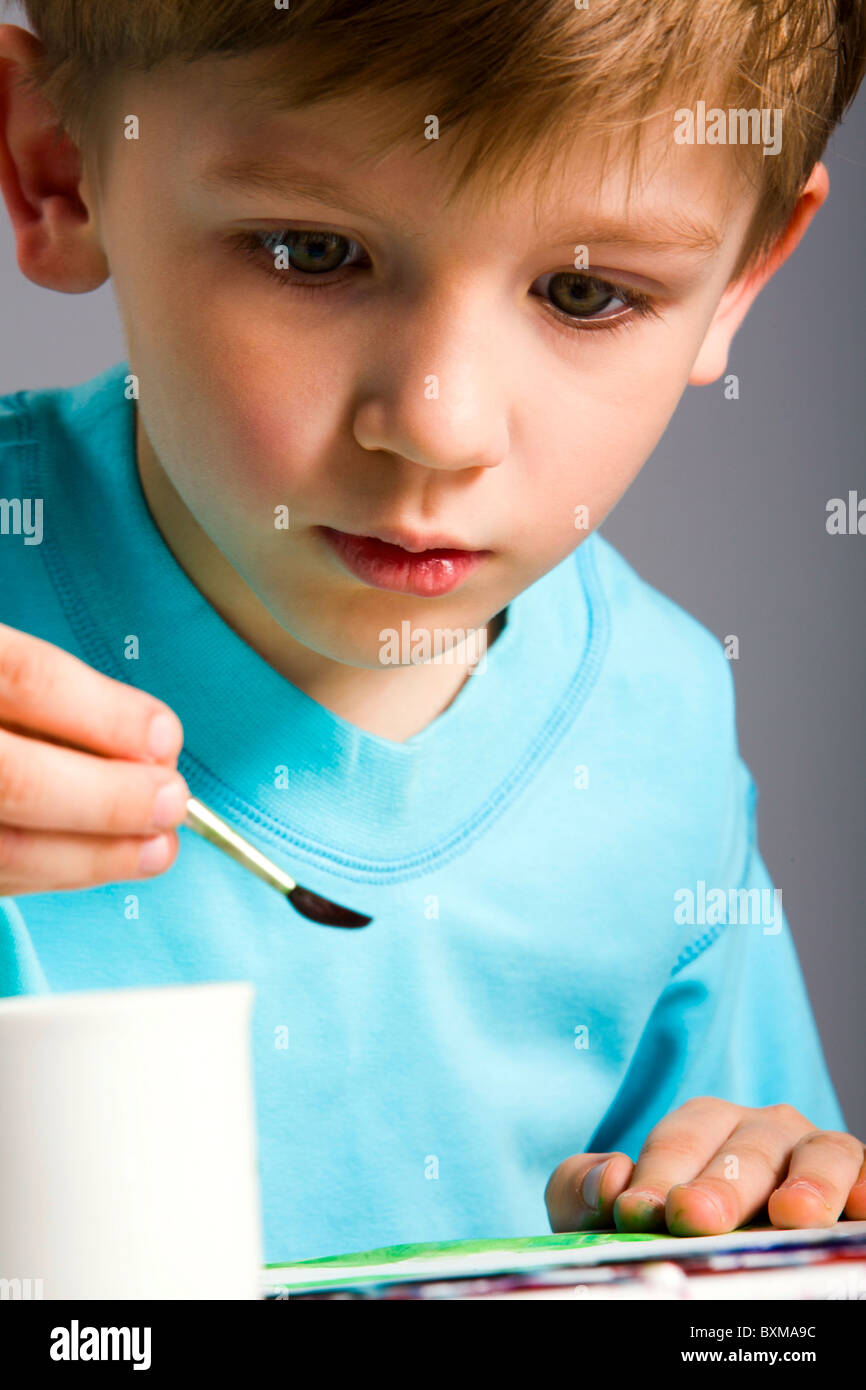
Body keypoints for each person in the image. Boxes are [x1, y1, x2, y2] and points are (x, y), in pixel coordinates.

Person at [0, 0, 863, 1264]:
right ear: (60, 167)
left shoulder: (658, 723)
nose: (438, 425)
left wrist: (762, 1217)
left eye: (581, 291)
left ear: (737, 278)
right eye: (309, 252)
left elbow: (723, 1217)